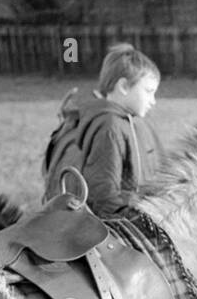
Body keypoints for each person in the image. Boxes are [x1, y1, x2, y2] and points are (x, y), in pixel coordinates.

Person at [43, 42, 164, 219]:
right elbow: (103, 193)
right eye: (148, 91)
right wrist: (140, 221)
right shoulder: (110, 127)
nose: (153, 100)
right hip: (122, 229)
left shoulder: (133, 122)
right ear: (123, 87)